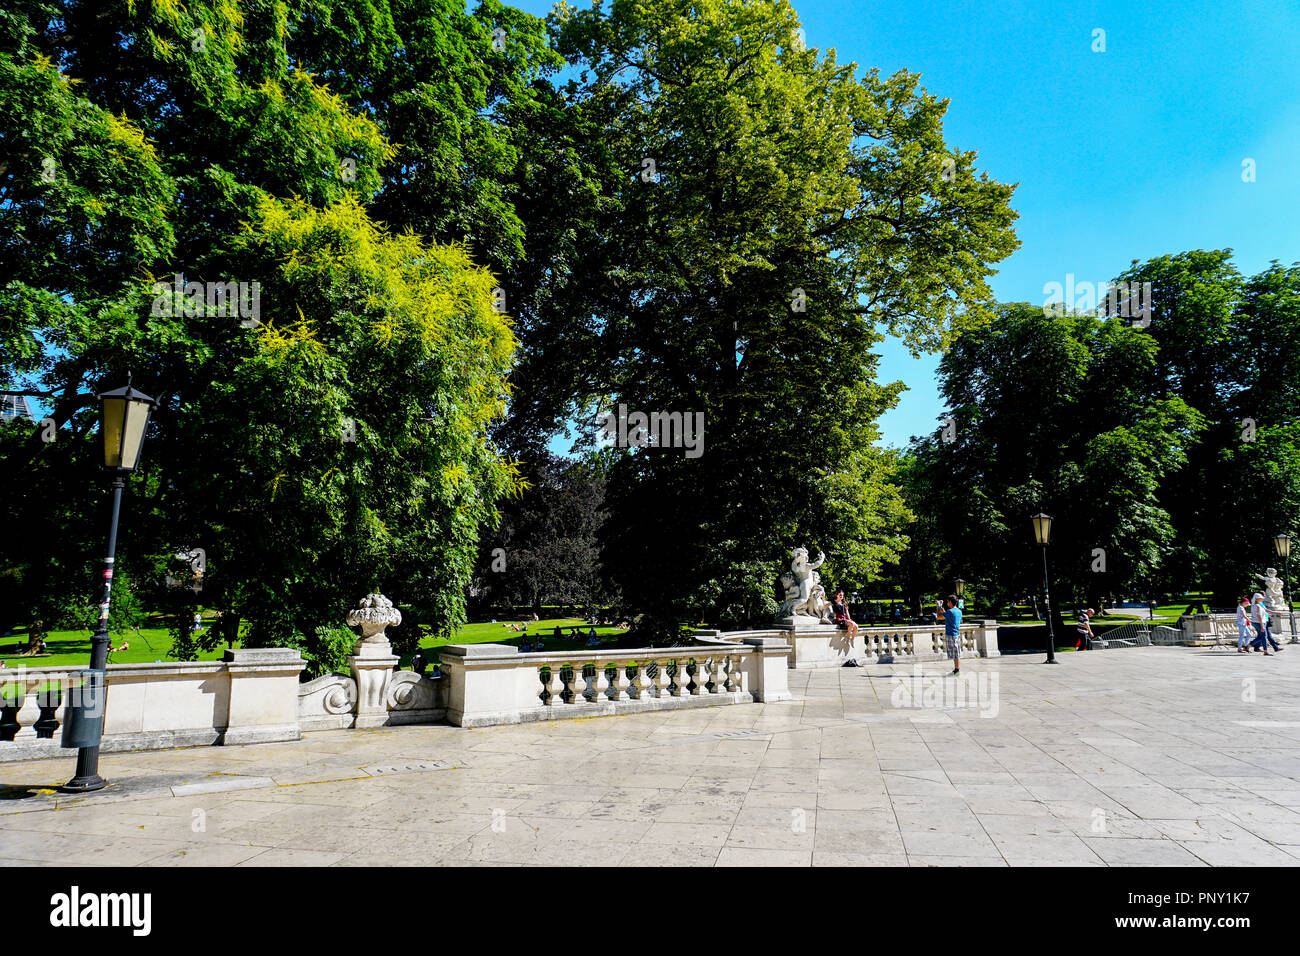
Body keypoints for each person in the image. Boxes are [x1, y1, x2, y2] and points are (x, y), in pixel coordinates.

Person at [935, 594, 962, 675]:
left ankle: (957, 670)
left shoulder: (950, 611)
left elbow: (939, 617)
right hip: (956, 634)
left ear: (950, 602)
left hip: (951, 634)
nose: (947, 603)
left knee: (955, 654)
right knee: (956, 652)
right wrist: (944, 612)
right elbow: (948, 617)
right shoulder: (959, 611)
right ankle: (956, 669)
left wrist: (938, 607)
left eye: (947, 602)